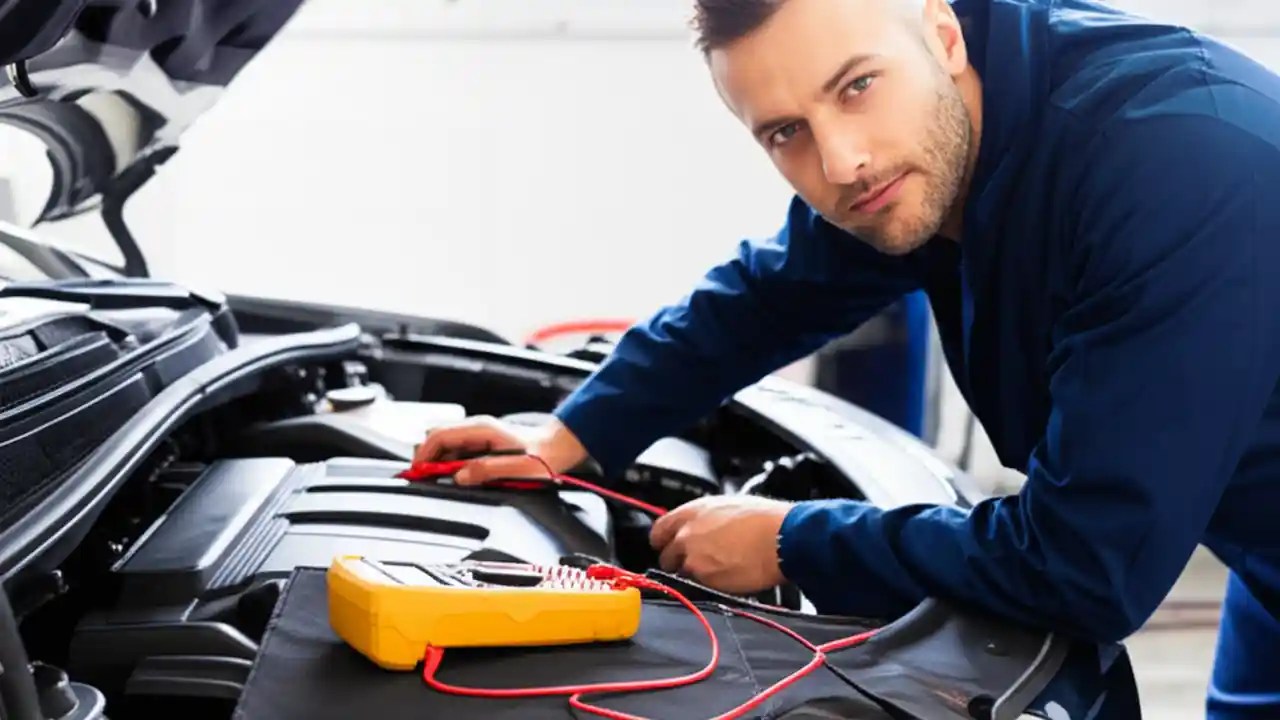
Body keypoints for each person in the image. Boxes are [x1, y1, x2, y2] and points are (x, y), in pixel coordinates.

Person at [415, 0, 1280, 715]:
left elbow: (1086, 565)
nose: (840, 160)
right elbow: (769, 295)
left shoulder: (1180, 167)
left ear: (943, 33)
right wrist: (567, 437)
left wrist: (793, 540)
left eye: (857, 86)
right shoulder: (936, 136)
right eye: (786, 131)